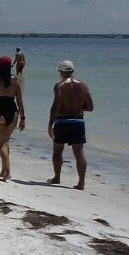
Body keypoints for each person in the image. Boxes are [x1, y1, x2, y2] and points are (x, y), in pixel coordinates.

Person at [48, 59, 94, 190]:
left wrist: (50, 124)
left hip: (62, 121)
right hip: (78, 121)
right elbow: (90, 107)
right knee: (79, 153)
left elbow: (56, 106)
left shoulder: (59, 86)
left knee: (57, 151)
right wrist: (77, 106)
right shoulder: (83, 86)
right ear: (72, 71)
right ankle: (81, 182)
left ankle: (57, 177)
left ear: (61, 72)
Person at [0, 55, 25, 181]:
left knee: (1, 143)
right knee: (6, 141)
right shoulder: (15, 81)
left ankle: (7, 173)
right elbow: (19, 101)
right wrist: (23, 118)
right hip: (13, 114)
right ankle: (3, 170)